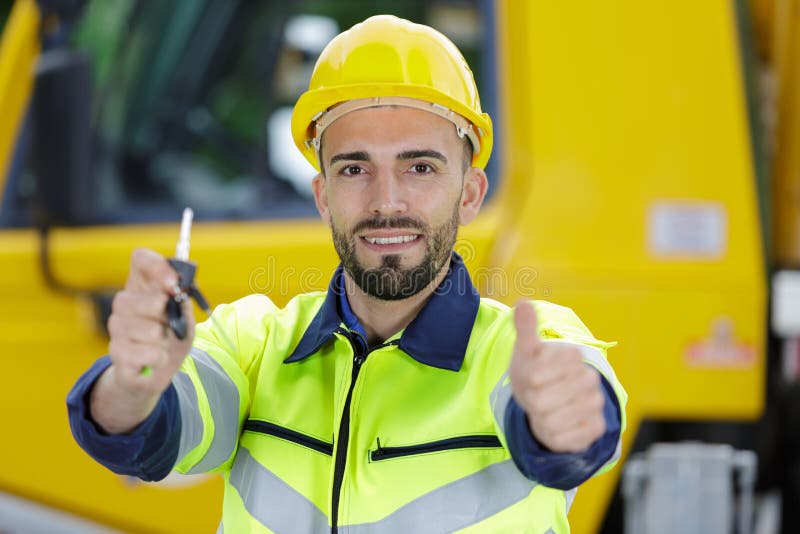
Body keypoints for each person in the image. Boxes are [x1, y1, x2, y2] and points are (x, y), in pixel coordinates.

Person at [67, 14, 626, 533]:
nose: (386, 201)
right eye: (355, 168)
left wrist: (562, 425)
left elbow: (578, 428)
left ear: (470, 194)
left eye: (420, 167)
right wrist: (134, 383)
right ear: (323, 196)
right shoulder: (252, 344)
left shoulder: (529, 348)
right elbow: (149, 437)